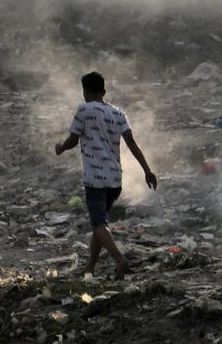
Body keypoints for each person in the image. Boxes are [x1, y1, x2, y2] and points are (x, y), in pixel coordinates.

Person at [54, 71, 156, 277]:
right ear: (104, 91)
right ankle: (90, 266)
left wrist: (61, 147)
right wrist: (147, 170)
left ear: (86, 91)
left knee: (99, 224)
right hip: (115, 179)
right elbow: (132, 144)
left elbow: (73, 140)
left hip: (94, 179)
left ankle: (120, 259)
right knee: (100, 225)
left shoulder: (84, 109)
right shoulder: (119, 113)